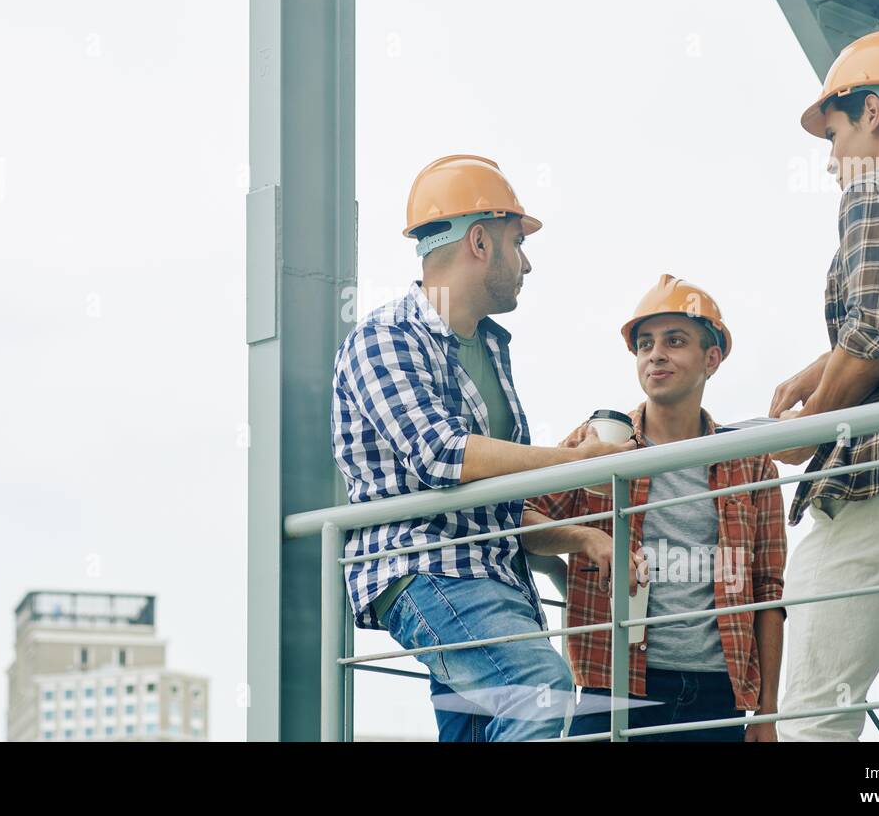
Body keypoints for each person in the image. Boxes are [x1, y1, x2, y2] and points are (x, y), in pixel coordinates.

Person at [330, 154, 635, 741]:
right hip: (428, 571)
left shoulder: (490, 348)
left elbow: (492, 502)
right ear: (479, 241)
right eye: (517, 242)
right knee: (543, 697)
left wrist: (577, 535)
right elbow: (444, 455)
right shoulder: (386, 338)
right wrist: (574, 463)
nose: (527, 262)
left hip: (491, 577)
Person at [522, 275, 786, 741]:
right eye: (645, 344)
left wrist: (765, 715)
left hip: (719, 696)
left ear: (712, 358)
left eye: (674, 341)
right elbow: (517, 518)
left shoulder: (752, 461)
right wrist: (588, 539)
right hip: (614, 687)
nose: (655, 354)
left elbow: (769, 590)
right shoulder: (599, 442)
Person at [769, 30, 879, 741]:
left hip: (876, 481)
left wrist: (809, 428)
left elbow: (876, 331)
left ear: (873, 114)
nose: (830, 161)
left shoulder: (876, 189)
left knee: (813, 716)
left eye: (832, 135)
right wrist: (816, 369)